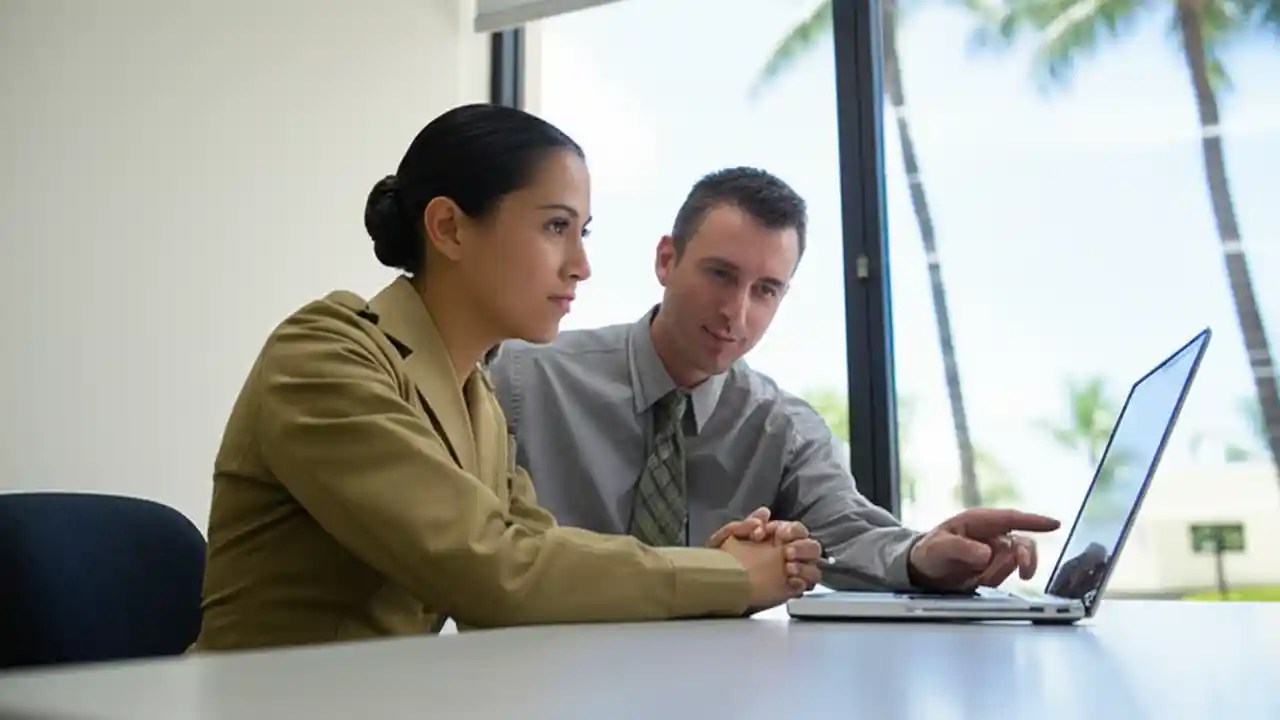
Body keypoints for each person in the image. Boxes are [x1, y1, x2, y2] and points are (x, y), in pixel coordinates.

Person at [194, 106, 825, 653]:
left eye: (582, 232)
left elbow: (540, 552)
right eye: (555, 227)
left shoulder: (477, 395)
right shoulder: (325, 356)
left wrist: (725, 567)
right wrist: (728, 574)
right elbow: (493, 569)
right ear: (448, 228)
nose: (580, 266)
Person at [490, 166, 1061, 593]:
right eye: (720, 274)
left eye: (765, 290)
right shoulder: (521, 379)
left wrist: (923, 555)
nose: (736, 314)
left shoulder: (783, 428)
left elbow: (847, 530)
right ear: (667, 260)